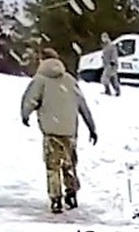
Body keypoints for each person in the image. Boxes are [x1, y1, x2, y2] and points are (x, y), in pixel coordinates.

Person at [21, 46, 97, 214]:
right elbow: (82, 105)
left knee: (53, 166)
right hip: (70, 130)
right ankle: (71, 194)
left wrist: (25, 115)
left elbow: (30, 100)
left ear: (42, 59)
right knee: (69, 164)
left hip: (51, 131)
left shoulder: (40, 79)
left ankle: (56, 199)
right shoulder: (69, 80)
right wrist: (92, 127)